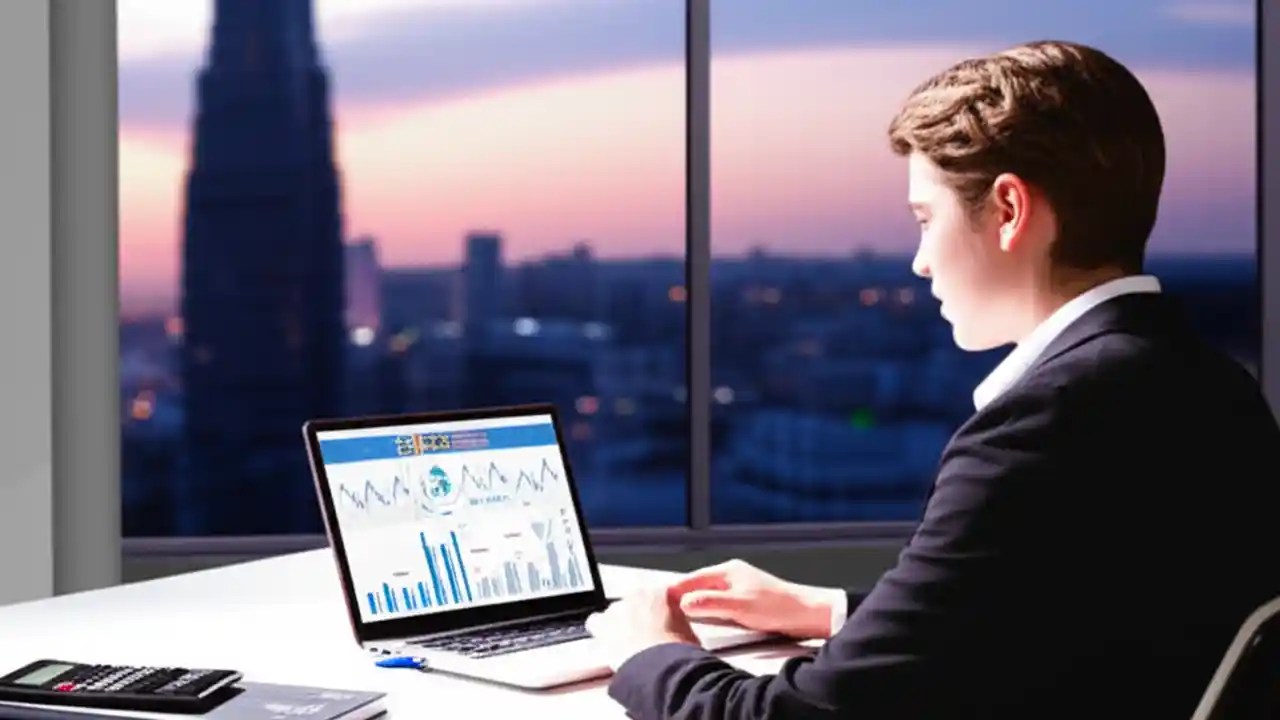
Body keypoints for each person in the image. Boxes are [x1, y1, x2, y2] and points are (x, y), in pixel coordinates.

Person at [584, 39, 1280, 719]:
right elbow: (1080, 628)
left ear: (1008, 211)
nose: (919, 262)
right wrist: (829, 611)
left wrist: (651, 656)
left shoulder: (1047, 423)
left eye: (926, 219)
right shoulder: (1211, 385)